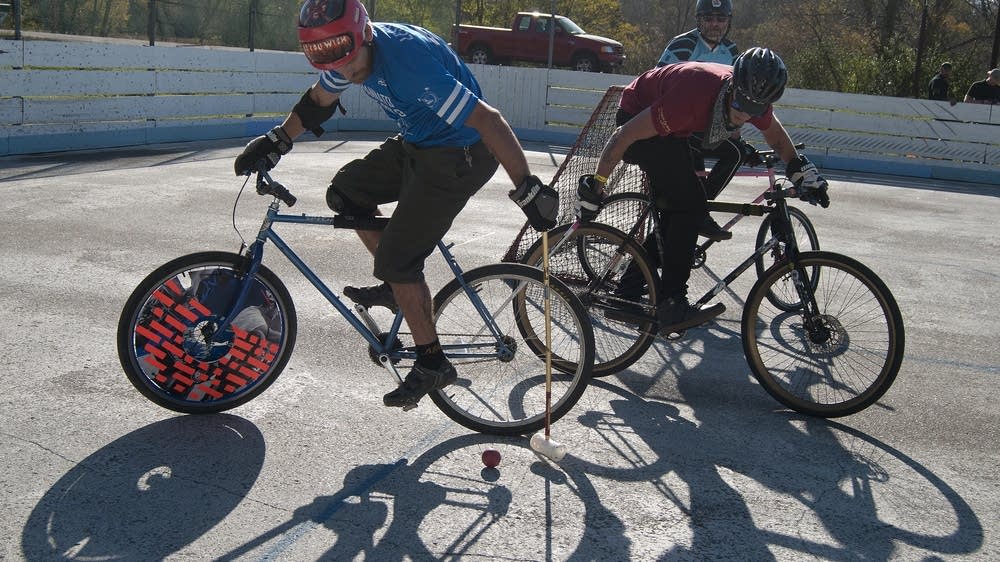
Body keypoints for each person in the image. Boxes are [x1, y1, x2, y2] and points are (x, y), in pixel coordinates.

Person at [234, 0, 558, 409]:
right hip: (418, 144)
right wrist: (277, 141)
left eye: (350, 65)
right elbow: (319, 99)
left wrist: (528, 188)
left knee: (399, 258)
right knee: (347, 194)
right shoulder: (345, 49)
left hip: (460, 155)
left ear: (365, 36)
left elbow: (488, 120)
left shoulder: (409, 64)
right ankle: (396, 285)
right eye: (335, 67)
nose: (346, 74)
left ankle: (432, 360)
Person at [575, 47, 830, 336]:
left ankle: (629, 292)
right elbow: (623, 137)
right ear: (734, 84)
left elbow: (778, 140)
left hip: (674, 130)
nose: (743, 114)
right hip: (636, 115)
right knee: (692, 206)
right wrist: (597, 186)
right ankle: (672, 303)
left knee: (675, 216)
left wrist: (802, 173)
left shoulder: (754, 96)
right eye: (740, 104)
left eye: (754, 110)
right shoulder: (692, 96)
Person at [657, 0, 743, 241]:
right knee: (694, 158)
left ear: (728, 21)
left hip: (707, 128)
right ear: (699, 19)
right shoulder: (683, 45)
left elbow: (735, 95)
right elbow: (659, 84)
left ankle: (697, 208)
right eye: (709, 18)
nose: (715, 24)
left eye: (721, 19)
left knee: (738, 152)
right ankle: (698, 213)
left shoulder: (732, 50)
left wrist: (734, 126)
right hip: (676, 125)